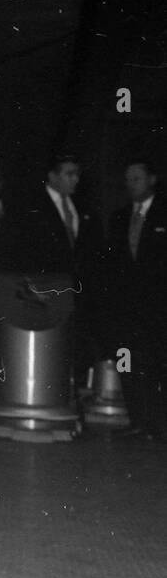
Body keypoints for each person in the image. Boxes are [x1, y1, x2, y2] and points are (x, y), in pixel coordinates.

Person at [0, 151, 103, 381]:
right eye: (69, 174)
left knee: (74, 351)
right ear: (52, 176)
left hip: (76, 295)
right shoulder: (31, 207)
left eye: (77, 174)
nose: (75, 179)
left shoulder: (82, 208)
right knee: (48, 355)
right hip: (45, 295)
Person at [101, 157, 167, 441]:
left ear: (152, 180)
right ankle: (138, 420)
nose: (131, 185)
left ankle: (159, 425)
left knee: (157, 365)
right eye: (127, 179)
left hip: (159, 307)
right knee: (129, 363)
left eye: (136, 178)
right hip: (127, 309)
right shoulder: (119, 218)